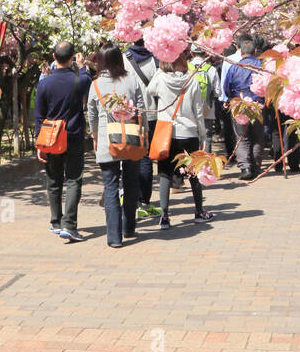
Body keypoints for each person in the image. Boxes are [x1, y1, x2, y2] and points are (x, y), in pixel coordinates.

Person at [88, 43, 145, 248]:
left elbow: (92, 115)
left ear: (101, 61)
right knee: (131, 185)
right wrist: (143, 133)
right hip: (130, 137)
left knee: (110, 187)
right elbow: (141, 109)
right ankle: (129, 227)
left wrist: (95, 134)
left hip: (106, 141)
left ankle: (114, 237)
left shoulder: (95, 85)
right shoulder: (131, 80)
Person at [147, 49, 213, 228]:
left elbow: (149, 91)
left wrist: (161, 71)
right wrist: (203, 134)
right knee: (193, 174)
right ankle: (199, 211)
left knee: (164, 175)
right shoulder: (191, 80)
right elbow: (198, 111)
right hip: (189, 133)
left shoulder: (160, 78)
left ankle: (165, 217)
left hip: (166, 134)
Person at [34, 41, 90, 242]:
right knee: (74, 179)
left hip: (50, 137)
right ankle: (69, 224)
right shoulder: (79, 79)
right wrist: (82, 65)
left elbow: (39, 116)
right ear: (73, 57)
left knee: (54, 179)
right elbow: (86, 76)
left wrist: (38, 143)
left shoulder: (44, 83)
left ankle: (56, 221)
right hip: (73, 135)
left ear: (53, 56)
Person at [124, 38, 160, 216]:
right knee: (146, 157)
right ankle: (144, 200)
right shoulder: (155, 58)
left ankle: (132, 198)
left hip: (131, 114)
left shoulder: (124, 58)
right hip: (152, 113)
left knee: (132, 157)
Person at [223, 35, 265, 180]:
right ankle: (256, 166)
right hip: (258, 103)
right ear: (255, 52)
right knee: (257, 136)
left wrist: (230, 99)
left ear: (241, 52)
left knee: (242, 136)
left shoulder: (235, 67)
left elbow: (227, 87)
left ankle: (245, 167)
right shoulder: (261, 66)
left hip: (239, 103)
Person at [215, 43, 241, 163]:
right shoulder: (240, 63)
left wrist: (223, 99)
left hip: (225, 99)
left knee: (228, 128)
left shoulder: (221, 66)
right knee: (237, 127)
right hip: (236, 98)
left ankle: (231, 152)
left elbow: (222, 84)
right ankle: (238, 152)